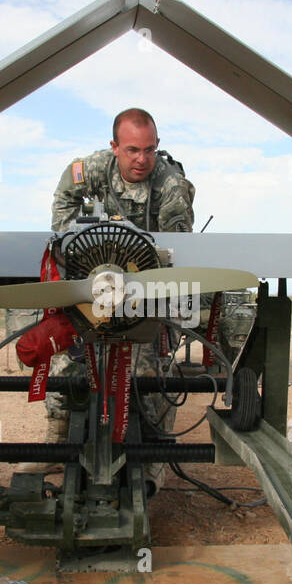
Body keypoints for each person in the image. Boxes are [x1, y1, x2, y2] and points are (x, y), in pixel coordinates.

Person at [25, 109, 195, 483]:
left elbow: (177, 253)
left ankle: (152, 460)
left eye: (150, 150)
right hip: (93, 281)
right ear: (114, 147)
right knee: (67, 360)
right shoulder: (93, 169)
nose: (142, 159)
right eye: (133, 150)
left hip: (148, 286)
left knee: (150, 372)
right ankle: (57, 445)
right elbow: (64, 208)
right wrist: (81, 253)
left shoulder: (171, 187)